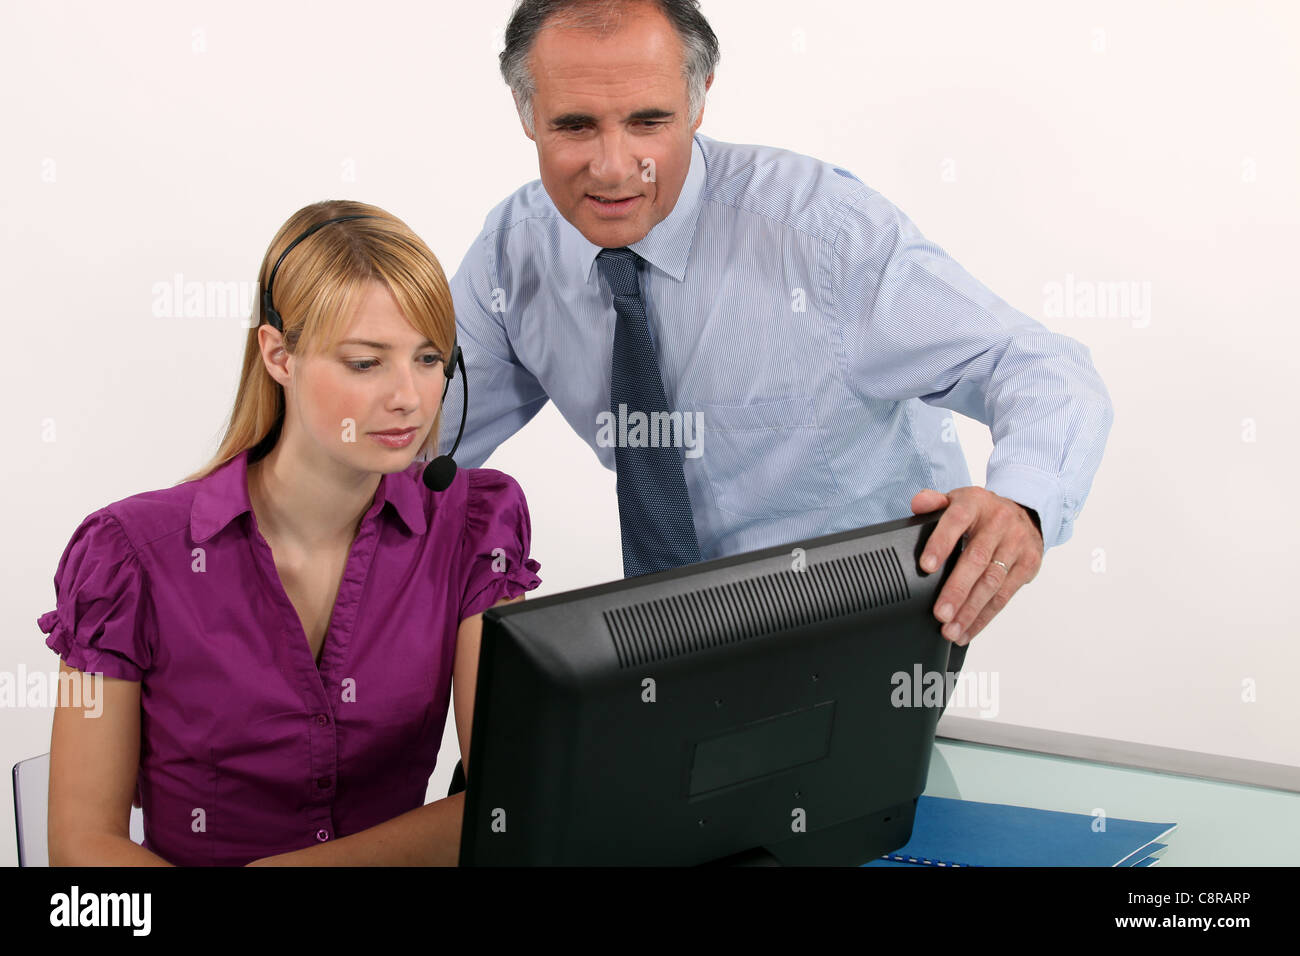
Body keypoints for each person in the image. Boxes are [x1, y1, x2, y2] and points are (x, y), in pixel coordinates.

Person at [439, 0, 1113, 648]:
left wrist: (1021, 504)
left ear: (700, 98)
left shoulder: (820, 234)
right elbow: (417, 440)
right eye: (575, 126)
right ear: (527, 113)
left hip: (863, 625)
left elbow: (1034, 364)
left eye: (648, 122)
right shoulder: (514, 253)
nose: (615, 168)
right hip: (662, 644)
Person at [37, 201, 541, 866]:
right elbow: (81, 846)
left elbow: (505, 802)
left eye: (428, 359)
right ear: (278, 354)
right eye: (367, 362)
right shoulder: (128, 556)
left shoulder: (474, 527)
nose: (409, 398)